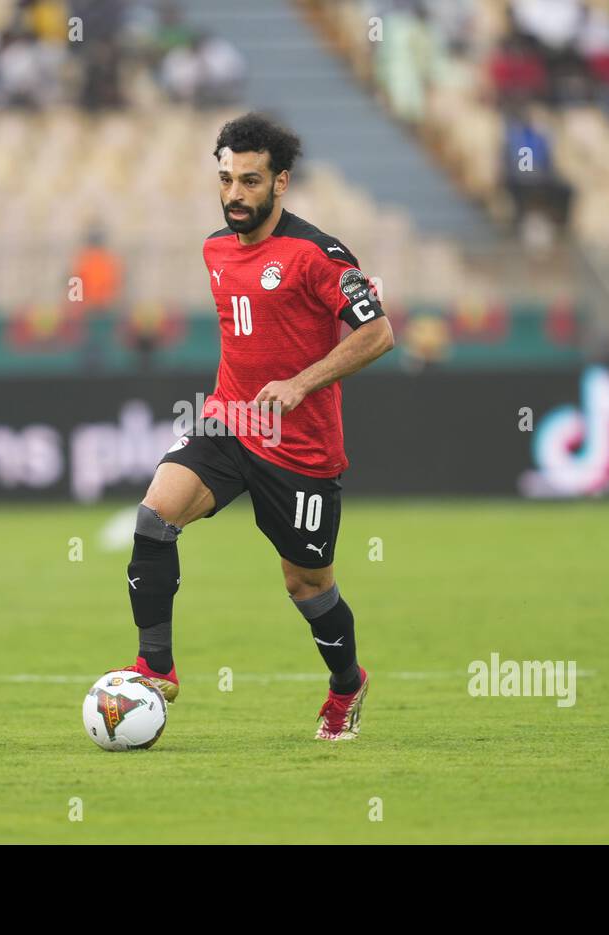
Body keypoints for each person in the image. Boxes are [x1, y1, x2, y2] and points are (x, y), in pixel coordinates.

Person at [110, 113, 395, 741]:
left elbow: (379, 333)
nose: (235, 193)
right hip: (230, 423)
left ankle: (346, 683)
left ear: (281, 182)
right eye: (226, 179)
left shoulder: (318, 254)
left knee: (308, 584)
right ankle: (156, 666)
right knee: (154, 518)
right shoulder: (214, 249)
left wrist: (300, 383)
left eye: (249, 180)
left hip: (301, 450)